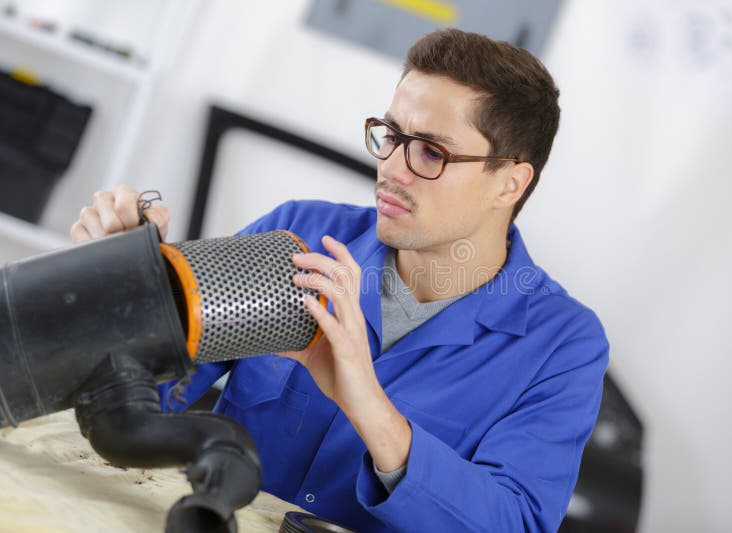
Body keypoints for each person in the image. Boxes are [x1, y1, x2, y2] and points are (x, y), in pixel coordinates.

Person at [72, 29, 608, 533]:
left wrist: (368, 407)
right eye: (391, 135)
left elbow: (513, 522)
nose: (392, 168)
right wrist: (123, 287)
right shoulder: (298, 235)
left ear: (509, 183)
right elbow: (142, 395)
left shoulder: (562, 346)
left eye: (431, 152)